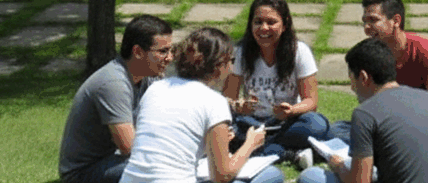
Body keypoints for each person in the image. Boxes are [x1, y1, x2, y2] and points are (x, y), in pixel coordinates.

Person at [121, 27, 283, 183]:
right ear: (220, 65)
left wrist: (207, 144)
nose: (232, 67)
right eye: (231, 61)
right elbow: (221, 175)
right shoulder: (215, 101)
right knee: (272, 174)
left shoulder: (155, 89)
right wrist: (251, 144)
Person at [299, 38, 428, 183]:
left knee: (311, 176)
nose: (352, 87)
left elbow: (360, 182)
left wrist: (339, 166)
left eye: (351, 80)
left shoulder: (365, 113)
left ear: (363, 77)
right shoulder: (427, 99)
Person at [329, 0, 428, 147]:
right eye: (364, 22)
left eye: (373, 20)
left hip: (427, 126)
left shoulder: (425, 50)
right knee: (336, 130)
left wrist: (398, 122)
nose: (366, 28)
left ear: (396, 20)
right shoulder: (370, 54)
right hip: (388, 127)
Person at [59, 15, 173, 183]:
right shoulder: (114, 83)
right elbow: (129, 147)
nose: (170, 58)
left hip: (115, 160)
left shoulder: (148, 77)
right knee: (160, 168)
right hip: (84, 173)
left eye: (171, 51)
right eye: (163, 51)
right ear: (138, 52)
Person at [222, 0, 328, 166]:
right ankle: (287, 153)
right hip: (249, 123)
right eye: (258, 22)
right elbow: (227, 98)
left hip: (285, 123)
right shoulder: (240, 52)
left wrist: (291, 110)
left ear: (284, 24)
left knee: (317, 124)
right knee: (224, 129)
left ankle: (254, 148)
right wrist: (239, 106)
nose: (264, 28)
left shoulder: (299, 51)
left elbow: (311, 101)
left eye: (271, 22)